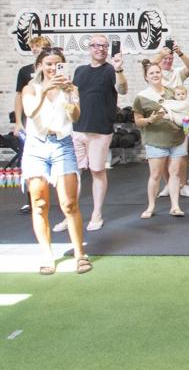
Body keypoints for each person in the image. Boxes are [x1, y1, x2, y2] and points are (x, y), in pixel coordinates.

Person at [21, 47, 91, 274]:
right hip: (36, 147)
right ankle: (47, 255)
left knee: (69, 203)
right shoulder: (30, 89)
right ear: (39, 66)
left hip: (62, 144)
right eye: (48, 64)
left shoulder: (70, 89)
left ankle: (80, 252)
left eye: (57, 64)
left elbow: (75, 116)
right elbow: (30, 112)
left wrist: (70, 95)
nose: (52, 68)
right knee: (39, 203)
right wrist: (45, 91)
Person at [53, 35, 127, 233]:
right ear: (90, 48)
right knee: (73, 174)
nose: (100, 49)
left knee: (97, 171)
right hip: (77, 129)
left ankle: (97, 214)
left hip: (100, 130)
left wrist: (119, 67)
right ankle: (69, 215)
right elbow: (73, 96)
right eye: (96, 45)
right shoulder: (79, 71)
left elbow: (123, 89)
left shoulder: (111, 70)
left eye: (104, 46)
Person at [132, 61, 187, 218]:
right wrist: (150, 120)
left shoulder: (172, 92)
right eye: (151, 73)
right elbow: (138, 121)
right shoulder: (141, 98)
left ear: (161, 74)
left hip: (177, 138)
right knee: (155, 175)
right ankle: (151, 206)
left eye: (157, 72)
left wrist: (186, 127)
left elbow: (184, 112)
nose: (155, 75)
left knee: (175, 173)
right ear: (146, 77)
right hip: (155, 141)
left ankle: (175, 206)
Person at [153, 41, 189, 198]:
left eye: (170, 58)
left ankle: (184, 184)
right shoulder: (155, 74)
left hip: (182, 117)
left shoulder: (177, 72)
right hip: (163, 118)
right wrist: (161, 54)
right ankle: (169, 184)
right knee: (164, 154)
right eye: (165, 58)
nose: (167, 60)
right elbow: (148, 66)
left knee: (183, 153)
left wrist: (179, 53)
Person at [14, 36, 52, 214]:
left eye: (42, 47)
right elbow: (19, 97)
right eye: (35, 47)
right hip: (31, 123)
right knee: (30, 163)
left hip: (51, 124)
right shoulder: (24, 71)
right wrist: (17, 123)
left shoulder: (53, 70)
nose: (38, 50)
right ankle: (31, 200)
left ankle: (55, 197)